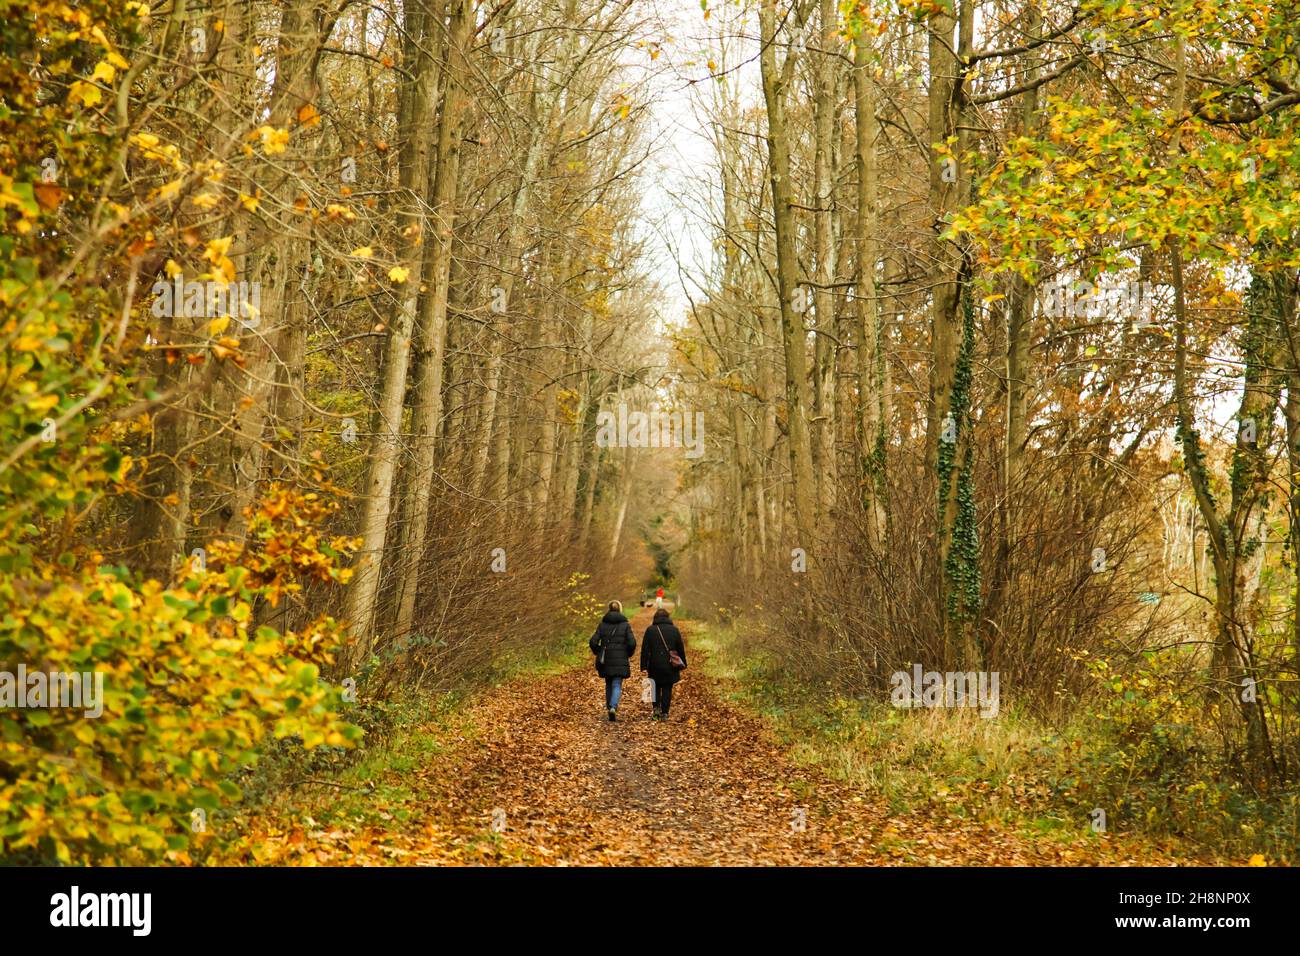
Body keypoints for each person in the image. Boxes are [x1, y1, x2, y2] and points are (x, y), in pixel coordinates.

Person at [589, 601, 635, 721]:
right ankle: (613, 707)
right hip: (620, 658)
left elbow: (593, 641)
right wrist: (627, 653)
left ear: (609, 609)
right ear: (620, 609)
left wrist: (599, 651)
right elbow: (632, 643)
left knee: (608, 683)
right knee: (616, 683)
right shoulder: (625, 625)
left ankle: (610, 707)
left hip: (606, 659)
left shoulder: (602, 624)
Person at [640, 607, 687, 720]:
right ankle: (665, 713)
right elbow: (680, 648)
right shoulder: (674, 630)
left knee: (654, 686)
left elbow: (645, 649)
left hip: (654, 664)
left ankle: (656, 709)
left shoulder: (650, 630)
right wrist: (683, 663)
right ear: (668, 618)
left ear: (655, 618)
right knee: (667, 687)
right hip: (669, 664)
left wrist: (643, 665)